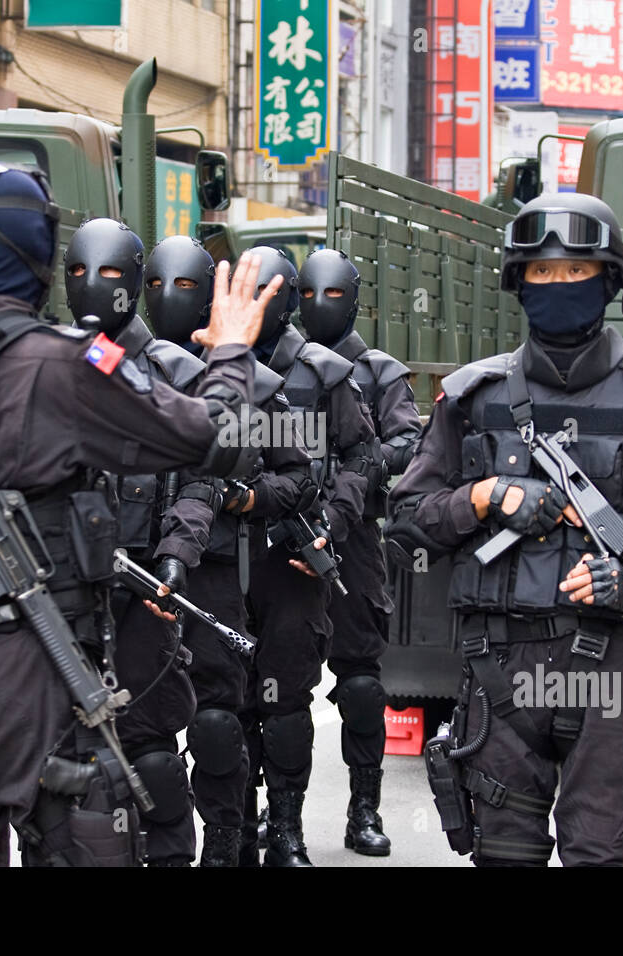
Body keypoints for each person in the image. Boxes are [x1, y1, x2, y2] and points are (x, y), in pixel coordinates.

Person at [0, 162, 278, 866]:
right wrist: (229, 350)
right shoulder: (65, 362)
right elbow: (215, 438)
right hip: (33, 674)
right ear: (39, 256)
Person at [387, 193, 623, 866]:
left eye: (575, 272)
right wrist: (486, 496)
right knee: (504, 855)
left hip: (607, 667)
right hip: (499, 665)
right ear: (519, 284)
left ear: (608, 281)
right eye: (541, 274)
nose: (557, 286)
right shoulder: (471, 396)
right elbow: (406, 521)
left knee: (603, 855)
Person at [144, 235, 315, 866]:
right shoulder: (104, 367)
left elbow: (301, 477)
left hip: (215, 569)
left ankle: (229, 843)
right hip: (130, 575)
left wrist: (246, 499)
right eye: (156, 284)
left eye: (185, 286)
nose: (167, 298)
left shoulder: (257, 385)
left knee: (220, 721)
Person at [64, 218, 205, 867]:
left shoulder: (176, 370)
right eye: (80, 273)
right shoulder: (53, 362)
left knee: (153, 766)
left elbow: (204, 479)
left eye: (113, 274)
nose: (94, 287)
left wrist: (177, 553)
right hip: (62, 602)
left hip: (148, 599)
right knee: (65, 775)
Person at [238, 246, 377, 866]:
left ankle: (288, 830)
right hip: (222, 557)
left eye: (273, 294)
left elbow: (363, 457)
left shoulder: (324, 374)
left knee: (287, 702)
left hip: (293, 564)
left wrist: (332, 524)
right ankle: (235, 829)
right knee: (228, 708)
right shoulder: (211, 365)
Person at [297, 248, 421, 856]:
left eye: (332, 295)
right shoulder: (284, 368)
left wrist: (361, 458)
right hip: (288, 534)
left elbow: (408, 442)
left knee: (363, 683)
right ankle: (275, 813)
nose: (319, 307)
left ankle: (363, 808)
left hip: (355, 538)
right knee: (274, 684)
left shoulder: (378, 371)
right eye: (308, 295)